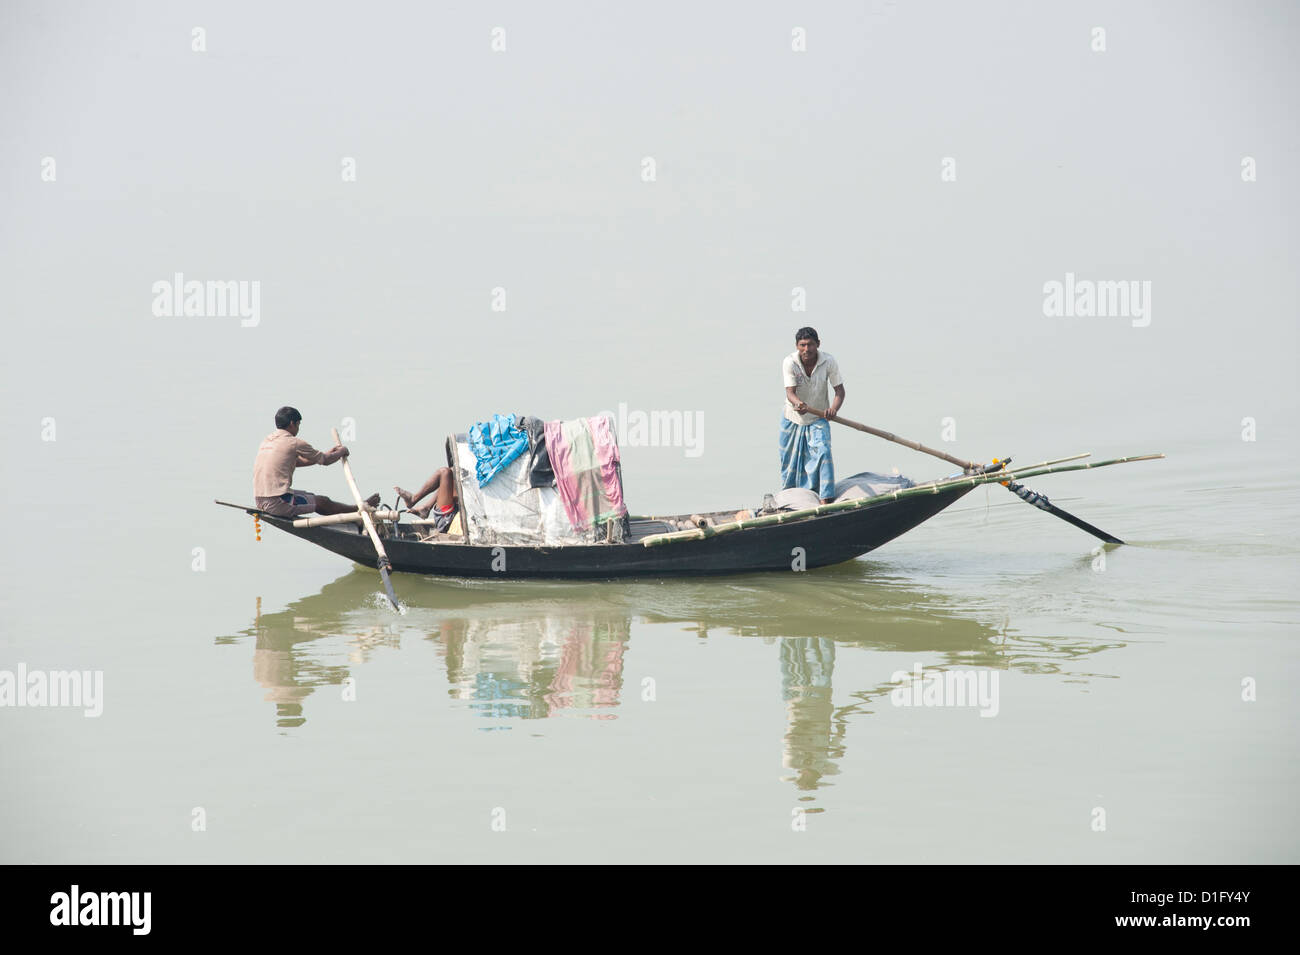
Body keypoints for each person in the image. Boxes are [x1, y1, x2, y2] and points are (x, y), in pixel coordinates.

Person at [253, 406, 380, 517]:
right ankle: (357, 510)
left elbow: (297, 462)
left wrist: (326, 454)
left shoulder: (267, 440)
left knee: (311, 496)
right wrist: (342, 451)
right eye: (298, 425)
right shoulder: (293, 442)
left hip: (260, 499)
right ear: (292, 423)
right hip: (278, 502)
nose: (298, 429)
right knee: (322, 502)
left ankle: (353, 513)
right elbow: (325, 461)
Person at [780, 327, 845, 504]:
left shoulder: (828, 361)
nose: (806, 349)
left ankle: (825, 499)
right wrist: (798, 403)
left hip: (818, 417)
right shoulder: (790, 362)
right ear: (797, 346)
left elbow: (839, 391)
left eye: (810, 345)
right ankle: (792, 501)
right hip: (793, 418)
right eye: (802, 345)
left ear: (818, 344)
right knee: (790, 463)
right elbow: (790, 392)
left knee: (823, 452)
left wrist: (833, 409)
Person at [394, 468, 459, 532]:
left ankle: (415, 500)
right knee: (453, 471)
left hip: (450, 521)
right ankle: (425, 507)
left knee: (444, 472)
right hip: (451, 514)